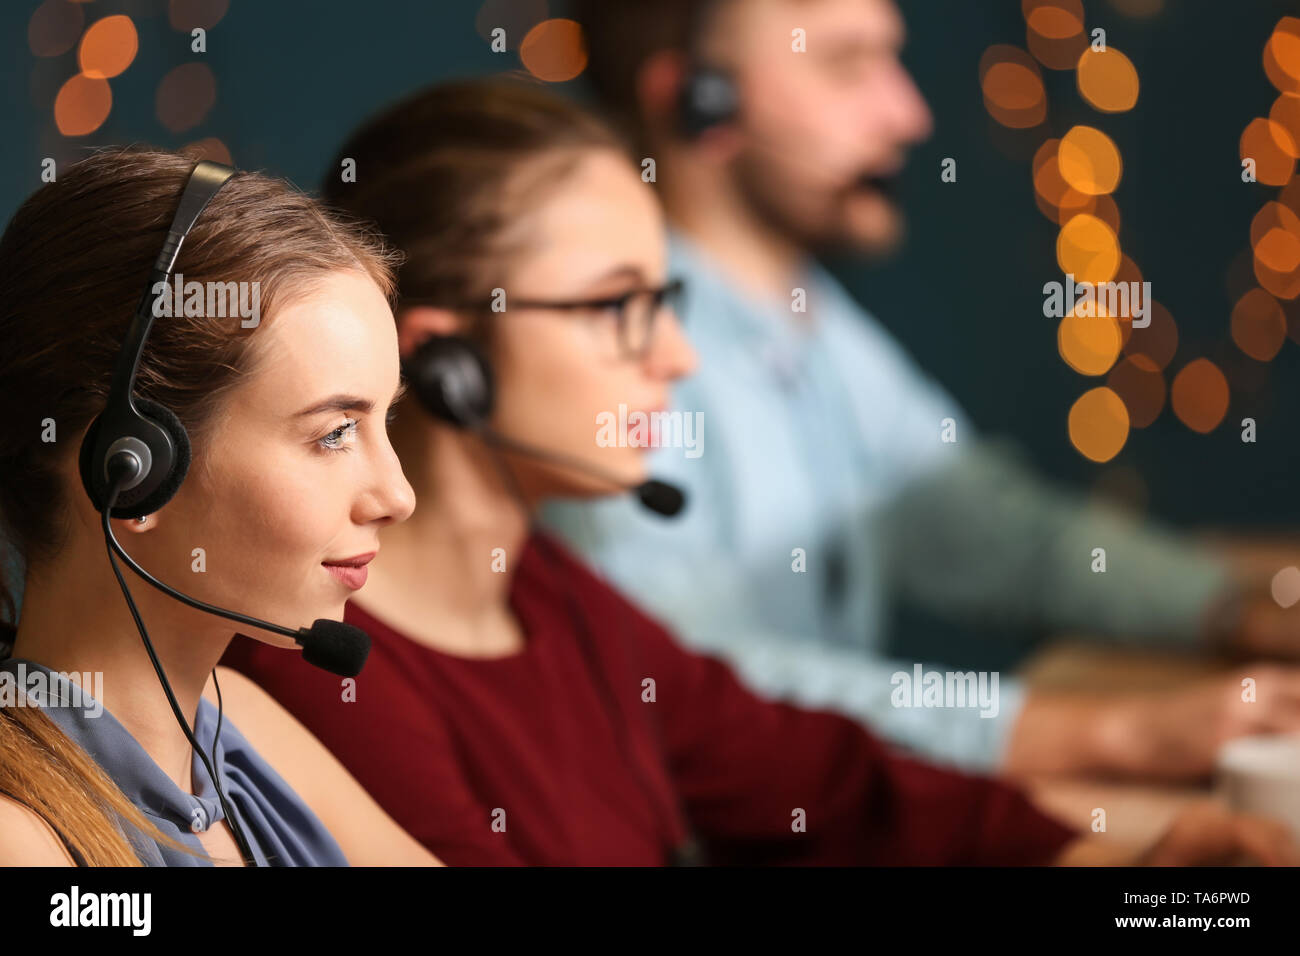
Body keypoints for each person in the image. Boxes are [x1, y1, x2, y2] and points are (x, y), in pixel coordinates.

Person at [223, 78, 1298, 867]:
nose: (677, 356)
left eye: (668, 301)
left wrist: (1146, 848)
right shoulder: (325, 674)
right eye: (615, 306)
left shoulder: (555, 600)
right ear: (441, 360)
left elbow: (836, 784)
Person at [541, 0, 1300, 776]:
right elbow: (689, 685)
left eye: (892, 60)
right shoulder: (609, 352)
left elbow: (993, 533)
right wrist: (1106, 735)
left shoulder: (815, 326)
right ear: (696, 101)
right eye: (845, 65)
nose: (909, 114)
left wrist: (1241, 609)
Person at [0, 147, 439, 866]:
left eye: (383, 421)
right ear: (134, 470)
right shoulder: (20, 841)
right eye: (333, 434)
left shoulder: (245, 728)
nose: (397, 495)